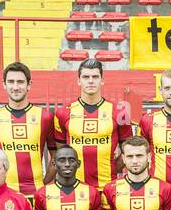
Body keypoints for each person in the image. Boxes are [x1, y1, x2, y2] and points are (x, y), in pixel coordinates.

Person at [56, 58, 135, 191]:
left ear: (102, 80)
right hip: (75, 189)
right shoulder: (63, 113)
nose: (91, 81)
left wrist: (111, 167)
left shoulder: (120, 112)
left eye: (95, 77)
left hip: (108, 188)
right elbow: (60, 153)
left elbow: (130, 151)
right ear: (79, 80)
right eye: (86, 77)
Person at [0, 61, 57, 202]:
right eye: (11, 82)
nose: (15, 87)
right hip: (4, 195)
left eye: (20, 82)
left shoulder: (45, 117)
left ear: (29, 85)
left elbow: (55, 157)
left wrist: (44, 183)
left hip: (36, 195)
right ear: (4, 84)